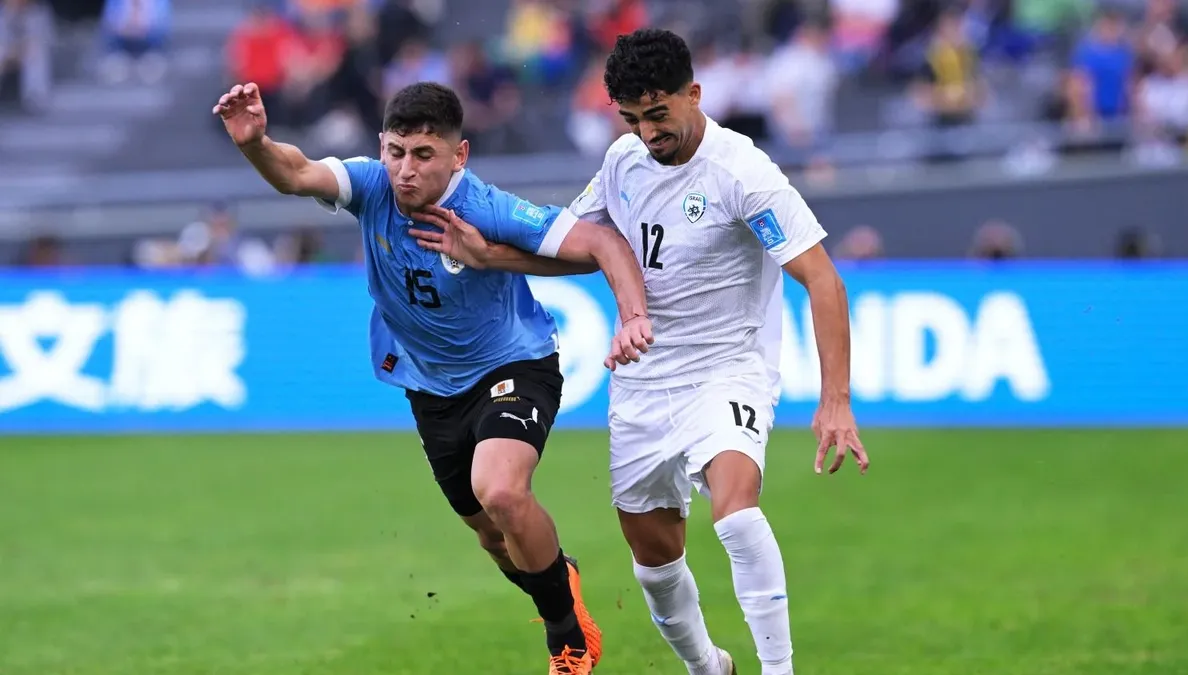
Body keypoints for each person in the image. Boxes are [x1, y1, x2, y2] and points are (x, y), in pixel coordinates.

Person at [410, 28, 869, 675]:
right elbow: (576, 245)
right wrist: (491, 256)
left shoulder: (744, 173)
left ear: (694, 94)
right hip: (643, 380)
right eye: (631, 118)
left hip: (727, 367)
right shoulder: (623, 161)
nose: (647, 132)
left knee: (736, 515)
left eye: (658, 114)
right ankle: (710, 666)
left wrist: (836, 399)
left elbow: (822, 278)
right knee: (655, 564)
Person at [213, 80, 656, 675]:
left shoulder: (486, 209)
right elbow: (296, 173)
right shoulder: (369, 185)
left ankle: (567, 640)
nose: (405, 170)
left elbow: (600, 241)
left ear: (459, 156)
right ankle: (559, 578)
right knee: (493, 536)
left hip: (513, 364)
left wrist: (631, 317)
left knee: (499, 489)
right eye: (396, 152)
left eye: (423, 155)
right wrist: (255, 144)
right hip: (429, 385)